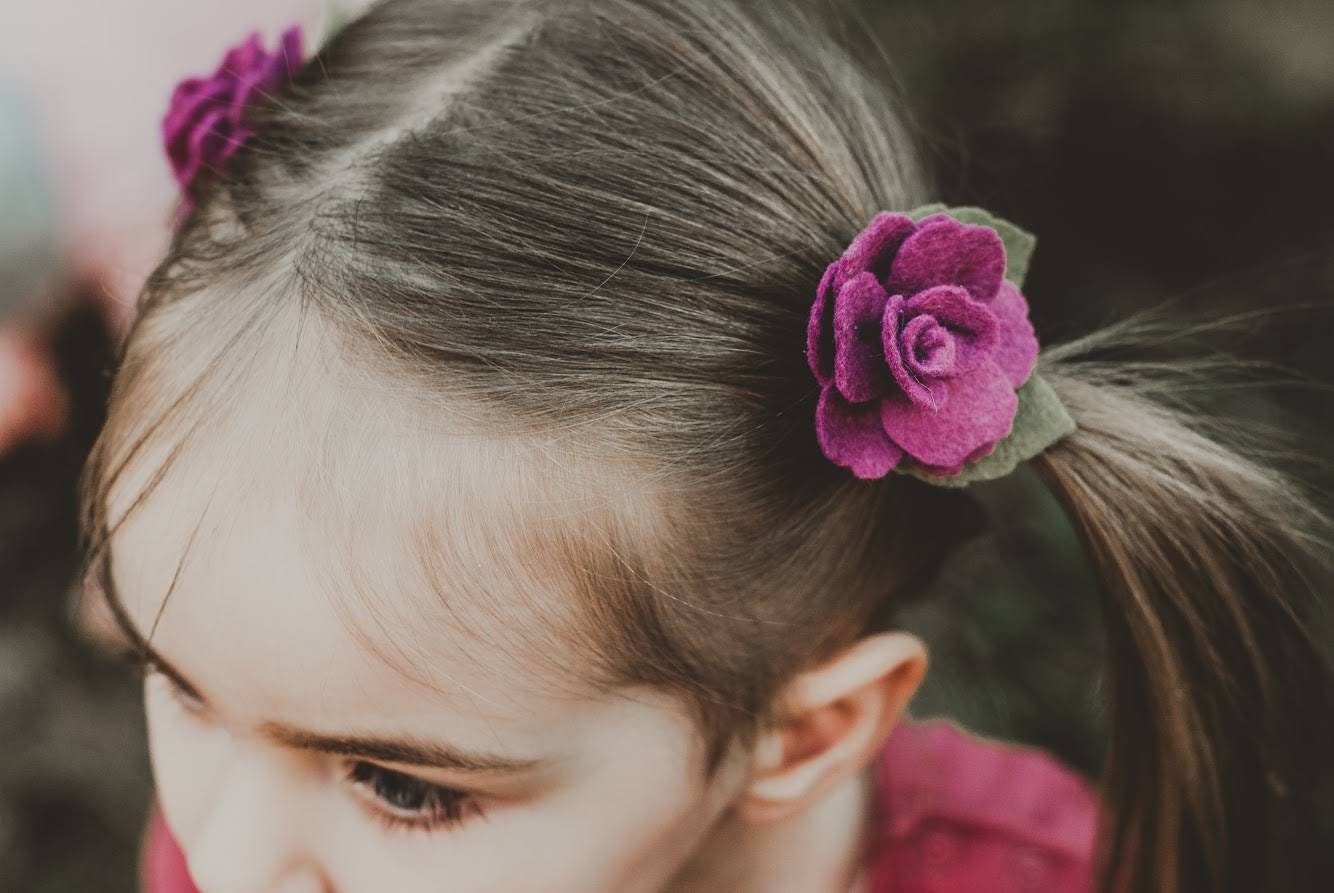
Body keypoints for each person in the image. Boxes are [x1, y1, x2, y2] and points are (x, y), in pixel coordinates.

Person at [76, 1, 1333, 890]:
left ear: (801, 736)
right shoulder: (259, 811)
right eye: (174, 679)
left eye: (402, 786)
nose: (224, 857)